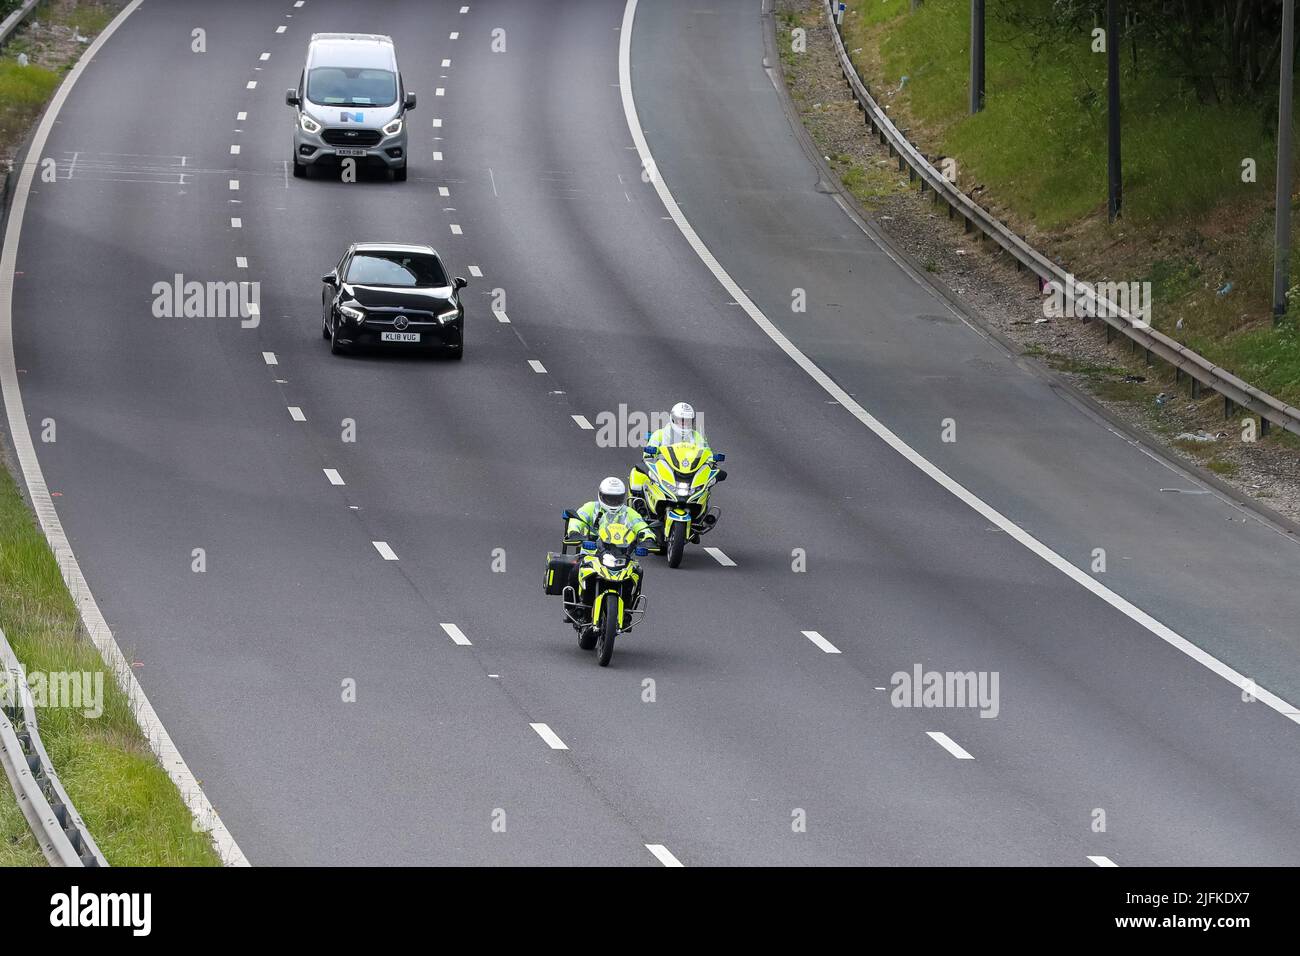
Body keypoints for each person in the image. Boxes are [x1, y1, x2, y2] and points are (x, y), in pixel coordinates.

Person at [564, 477, 655, 625]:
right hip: (591, 554)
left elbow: (641, 525)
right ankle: (572, 608)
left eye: (616, 498)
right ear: (601, 495)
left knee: (638, 572)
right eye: (609, 498)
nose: (613, 502)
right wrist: (574, 532)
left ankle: (628, 610)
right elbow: (577, 519)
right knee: (575, 570)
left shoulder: (629, 513)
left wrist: (648, 538)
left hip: (622, 556)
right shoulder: (590, 508)